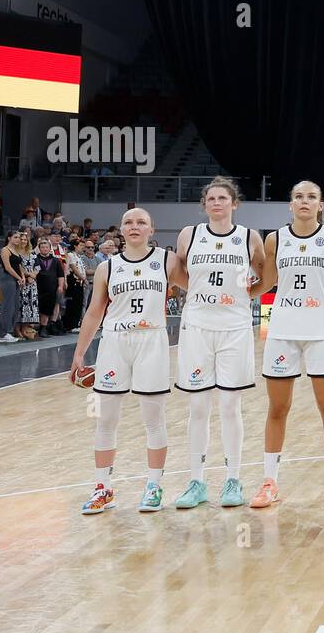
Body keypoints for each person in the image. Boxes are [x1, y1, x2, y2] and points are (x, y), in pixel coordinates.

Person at [245, 181, 324, 508]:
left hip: (321, 332)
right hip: (282, 331)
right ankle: (269, 482)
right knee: (278, 408)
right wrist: (239, 294)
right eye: (298, 197)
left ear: (320, 205)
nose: (304, 202)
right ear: (290, 204)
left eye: (311, 197)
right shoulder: (274, 239)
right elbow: (266, 282)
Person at [72, 208, 181, 514]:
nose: (135, 226)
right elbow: (95, 312)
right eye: (129, 222)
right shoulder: (109, 268)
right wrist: (80, 351)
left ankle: (154, 486)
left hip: (153, 341)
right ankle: (103, 488)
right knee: (106, 419)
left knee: (153, 419)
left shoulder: (166, 260)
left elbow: (197, 286)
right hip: (114, 342)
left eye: (141, 222)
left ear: (152, 229)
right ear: (120, 230)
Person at [173, 177, 265, 509]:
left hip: (235, 326)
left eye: (223, 198)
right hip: (197, 325)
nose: (216, 203)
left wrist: (244, 296)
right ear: (204, 204)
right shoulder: (189, 235)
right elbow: (177, 271)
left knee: (230, 406)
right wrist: (198, 293)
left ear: (234, 203)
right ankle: (196, 481)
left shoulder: (250, 238)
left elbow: (265, 275)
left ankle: (233, 480)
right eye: (211, 198)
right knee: (198, 407)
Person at [32, 237, 65, 337]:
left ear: (49, 248)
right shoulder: (35, 259)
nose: (45, 249)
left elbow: (60, 274)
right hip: (39, 288)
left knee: (52, 306)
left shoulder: (56, 261)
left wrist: (60, 286)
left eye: (46, 247)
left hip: (52, 288)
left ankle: (47, 327)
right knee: (41, 308)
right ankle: (41, 327)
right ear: (39, 248)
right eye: (42, 247)